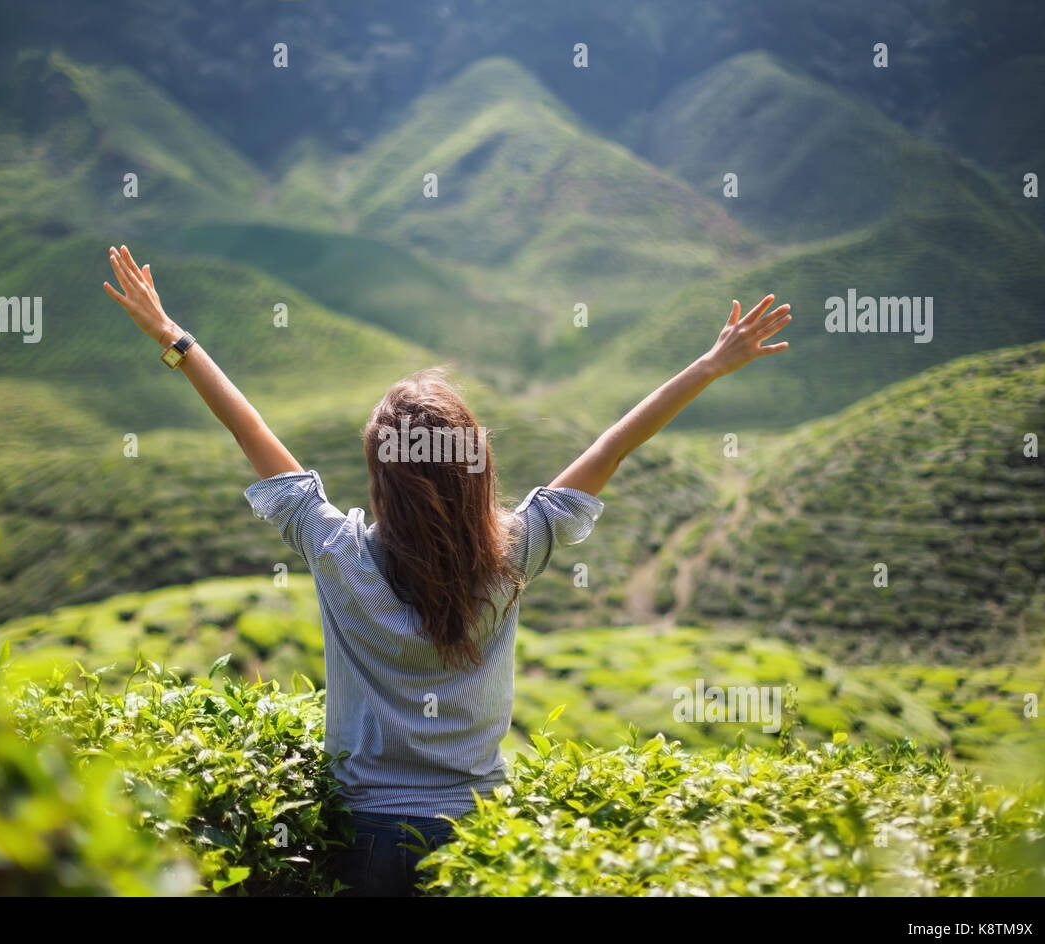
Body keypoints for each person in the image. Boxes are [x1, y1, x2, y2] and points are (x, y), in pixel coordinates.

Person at [103, 243, 792, 895]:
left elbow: (248, 428)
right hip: (477, 836)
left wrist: (174, 337)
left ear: (382, 480)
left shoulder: (334, 549)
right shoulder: (513, 550)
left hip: (361, 838)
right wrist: (709, 365)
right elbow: (613, 444)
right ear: (475, 470)